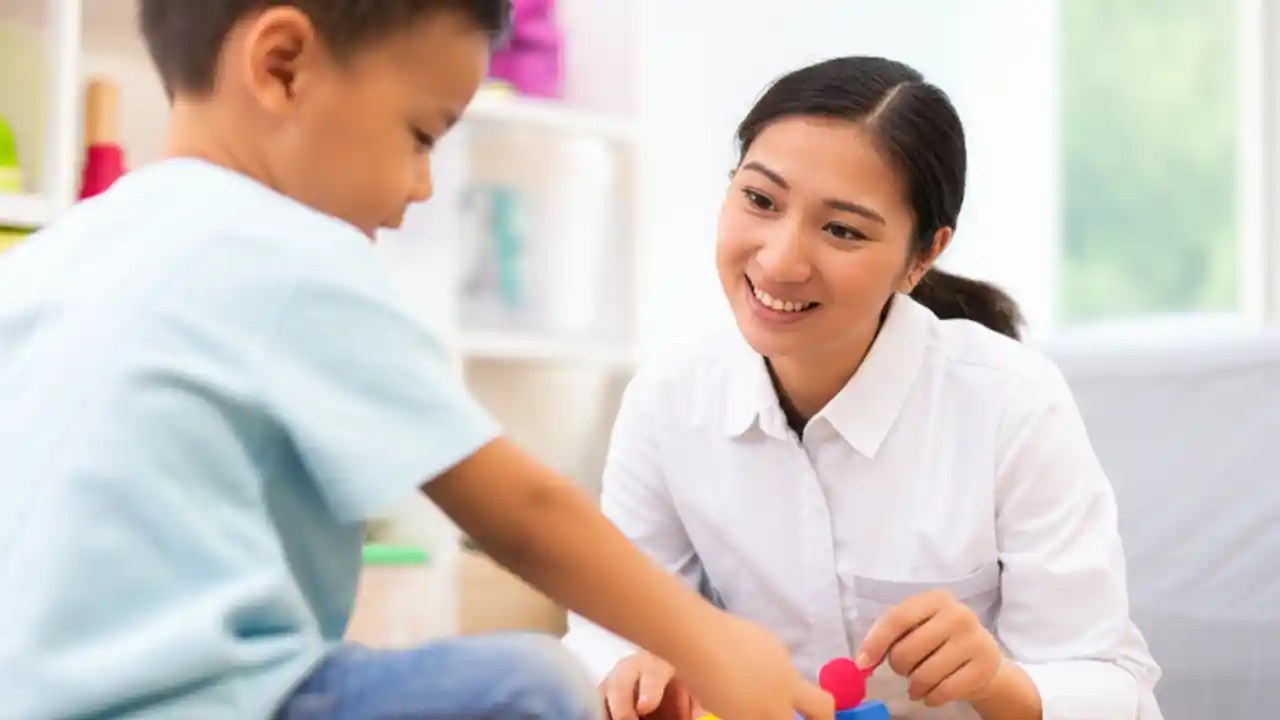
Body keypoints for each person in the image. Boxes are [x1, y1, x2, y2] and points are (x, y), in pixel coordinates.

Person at [0, 2, 836, 719]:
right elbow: (520, 510)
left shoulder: (53, 254)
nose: (422, 186)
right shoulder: (291, 253)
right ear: (283, 66)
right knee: (529, 684)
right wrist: (714, 643)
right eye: (421, 135)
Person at [563, 56, 1164, 720]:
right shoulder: (668, 401)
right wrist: (633, 669)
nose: (780, 260)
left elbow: (1119, 692)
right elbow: (608, 626)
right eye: (759, 200)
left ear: (922, 255)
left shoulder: (1012, 405)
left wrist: (995, 679)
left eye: (842, 230)